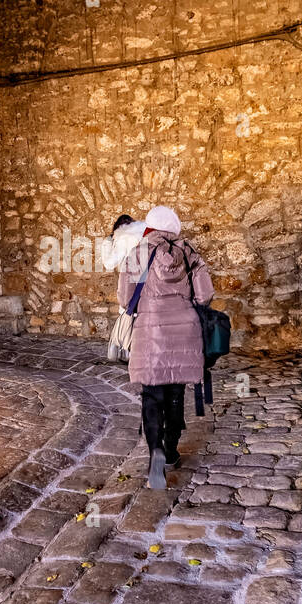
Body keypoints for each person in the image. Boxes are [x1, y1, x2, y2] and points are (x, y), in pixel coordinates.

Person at [118, 205, 214, 490]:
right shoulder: (189, 253)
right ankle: (171, 450)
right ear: (174, 226)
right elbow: (205, 295)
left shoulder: (137, 253)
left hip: (150, 332)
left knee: (151, 394)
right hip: (184, 332)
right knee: (175, 391)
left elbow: (125, 299)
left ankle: (155, 453)